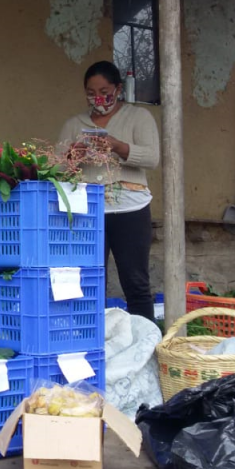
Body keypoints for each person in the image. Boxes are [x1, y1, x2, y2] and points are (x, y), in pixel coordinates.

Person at [59, 61, 159, 321]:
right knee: (90, 281)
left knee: (135, 281)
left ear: (118, 89)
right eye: (91, 93)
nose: (98, 98)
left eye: (104, 91)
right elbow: (55, 168)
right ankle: (92, 336)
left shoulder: (138, 117)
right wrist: (73, 155)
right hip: (88, 210)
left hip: (131, 208)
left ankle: (146, 338)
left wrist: (117, 146)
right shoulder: (74, 124)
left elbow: (152, 158)